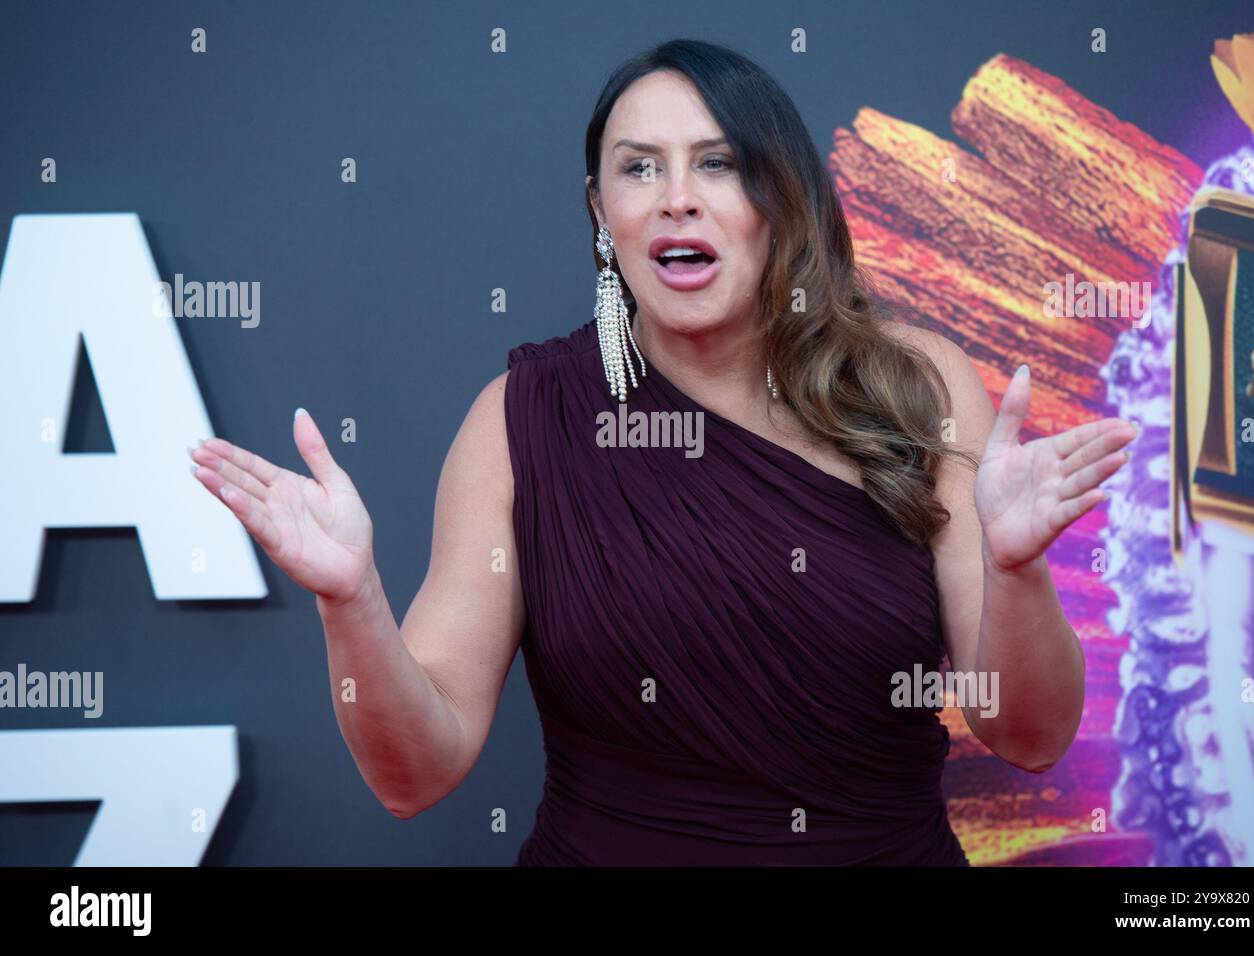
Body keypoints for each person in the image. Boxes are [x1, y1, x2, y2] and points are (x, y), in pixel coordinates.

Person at [188, 39, 1137, 865]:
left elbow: (1032, 735)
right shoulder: (519, 421)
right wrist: (351, 602)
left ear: (781, 197)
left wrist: (1016, 571)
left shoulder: (917, 387)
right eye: (639, 169)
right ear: (601, 212)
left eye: (718, 164)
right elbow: (415, 775)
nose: (677, 200)